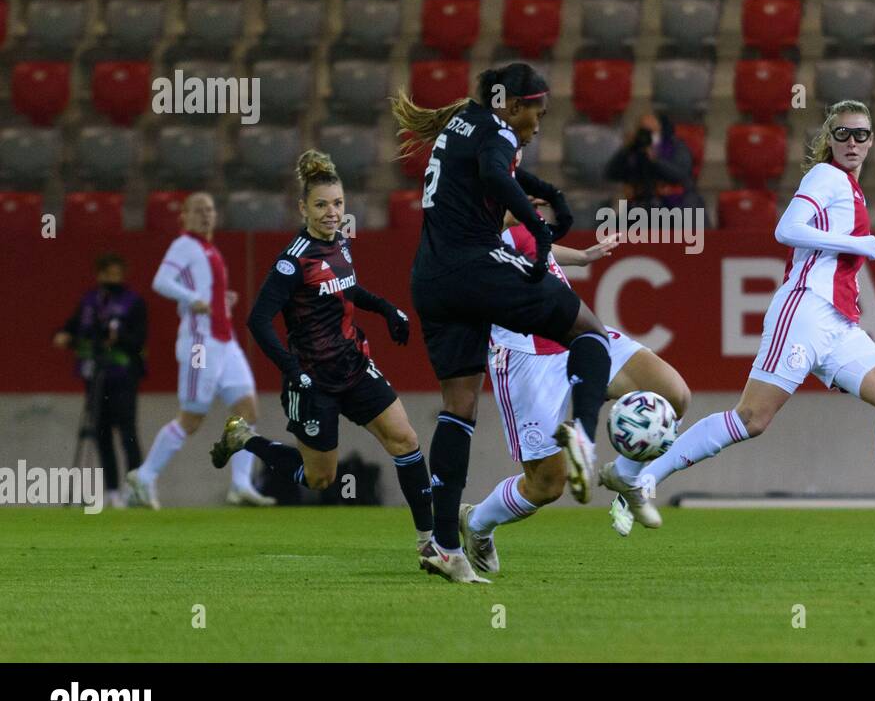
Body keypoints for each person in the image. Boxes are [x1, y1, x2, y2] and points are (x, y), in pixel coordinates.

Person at [600, 100, 875, 543]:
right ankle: (639, 481)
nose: (851, 142)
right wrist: (857, 243)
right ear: (829, 140)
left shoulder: (849, 186)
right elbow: (785, 229)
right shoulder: (826, 176)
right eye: (842, 134)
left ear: (871, 142)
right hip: (805, 310)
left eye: (860, 134)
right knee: (751, 418)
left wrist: (853, 246)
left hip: (838, 323)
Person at [394, 62, 613, 583]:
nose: (540, 119)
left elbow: (499, 171)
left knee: (459, 408)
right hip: (476, 266)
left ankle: (444, 546)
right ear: (512, 105)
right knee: (590, 334)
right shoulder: (496, 130)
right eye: (537, 108)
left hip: (431, 279)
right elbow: (496, 172)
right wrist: (538, 222)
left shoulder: (463, 122)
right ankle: (582, 435)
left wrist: (546, 190)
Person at [212, 150, 439, 558]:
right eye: (321, 205)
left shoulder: (340, 244)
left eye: (337, 203)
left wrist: (387, 309)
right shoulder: (291, 262)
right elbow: (258, 321)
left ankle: (430, 542)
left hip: (354, 365)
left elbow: (347, 288)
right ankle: (244, 437)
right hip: (312, 380)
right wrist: (291, 368)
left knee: (405, 439)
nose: (332, 212)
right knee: (319, 478)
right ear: (303, 208)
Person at [458, 207, 692, 573]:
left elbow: (534, 245)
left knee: (672, 395)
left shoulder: (509, 188)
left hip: (575, 329)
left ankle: (624, 476)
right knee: (547, 485)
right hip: (524, 353)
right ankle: (476, 525)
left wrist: (581, 257)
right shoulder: (469, 220)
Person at [126, 192, 274, 508]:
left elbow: (202, 290)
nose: (205, 215)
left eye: (209, 209)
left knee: (248, 411)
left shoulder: (210, 249)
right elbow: (161, 281)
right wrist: (193, 299)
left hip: (225, 341)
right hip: (199, 343)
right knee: (192, 418)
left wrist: (222, 300)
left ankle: (240, 484)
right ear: (184, 216)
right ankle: (144, 476)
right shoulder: (184, 245)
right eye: (198, 210)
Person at [53, 253, 147, 507]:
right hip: (95, 376)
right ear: (100, 275)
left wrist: (119, 338)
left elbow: (139, 339)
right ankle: (113, 491)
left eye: (117, 274)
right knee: (101, 433)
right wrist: (63, 334)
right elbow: (73, 327)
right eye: (108, 274)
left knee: (127, 433)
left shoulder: (133, 302)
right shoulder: (90, 301)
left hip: (124, 376)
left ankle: (135, 488)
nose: (112, 279)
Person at [605, 112, 701, 212]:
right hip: (640, 206)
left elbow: (681, 174)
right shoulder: (633, 149)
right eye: (643, 131)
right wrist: (625, 150)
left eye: (652, 131)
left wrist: (656, 160)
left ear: (661, 131)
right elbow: (611, 173)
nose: (647, 135)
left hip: (672, 205)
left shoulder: (676, 147)